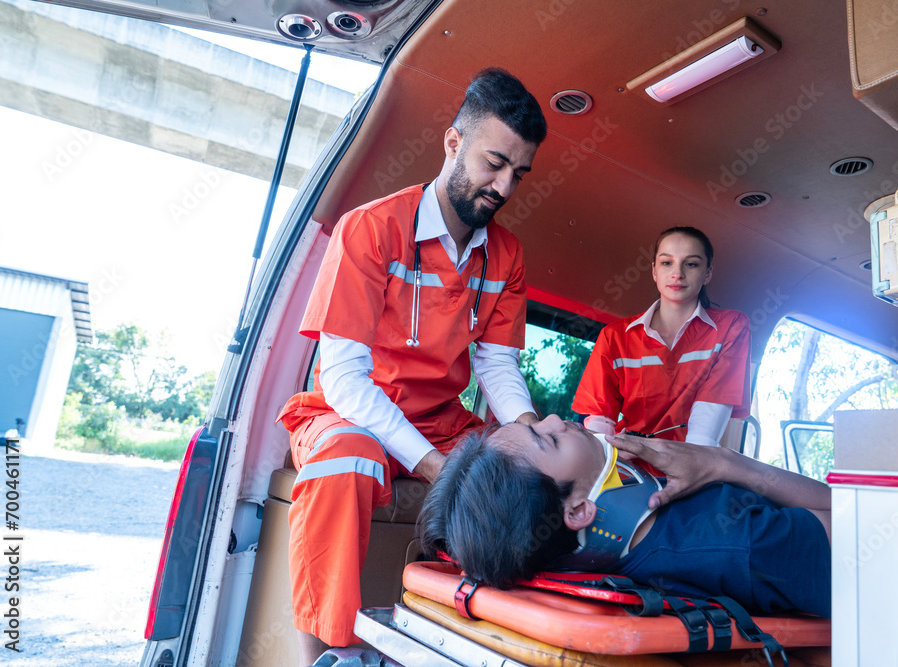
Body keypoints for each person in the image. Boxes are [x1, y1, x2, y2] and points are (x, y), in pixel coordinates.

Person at [276, 67, 547, 660]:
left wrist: (528, 434)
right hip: (350, 413)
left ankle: (471, 636)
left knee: (526, 474)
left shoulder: (507, 253)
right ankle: (325, 651)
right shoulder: (371, 229)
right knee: (346, 456)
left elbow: (497, 366)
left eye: (518, 174)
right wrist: (429, 464)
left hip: (443, 419)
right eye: (493, 163)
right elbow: (344, 378)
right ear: (453, 143)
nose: (503, 187)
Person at [419, 415, 832, 618]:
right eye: (549, 439)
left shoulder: (584, 561)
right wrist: (723, 461)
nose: (555, 418)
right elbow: (864, 523)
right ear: (580, 510)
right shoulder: (743, 544)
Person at [572, 227, 751, 446]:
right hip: (629, 466)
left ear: (707, 273)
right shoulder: (614, 336)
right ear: (654, 271)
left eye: (691, 264)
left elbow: (705, 432)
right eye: (667, 263)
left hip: (693, 464)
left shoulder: (731, 327)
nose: (678, 274)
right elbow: (599, 421)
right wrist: (605, 468)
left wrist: (689, 470)